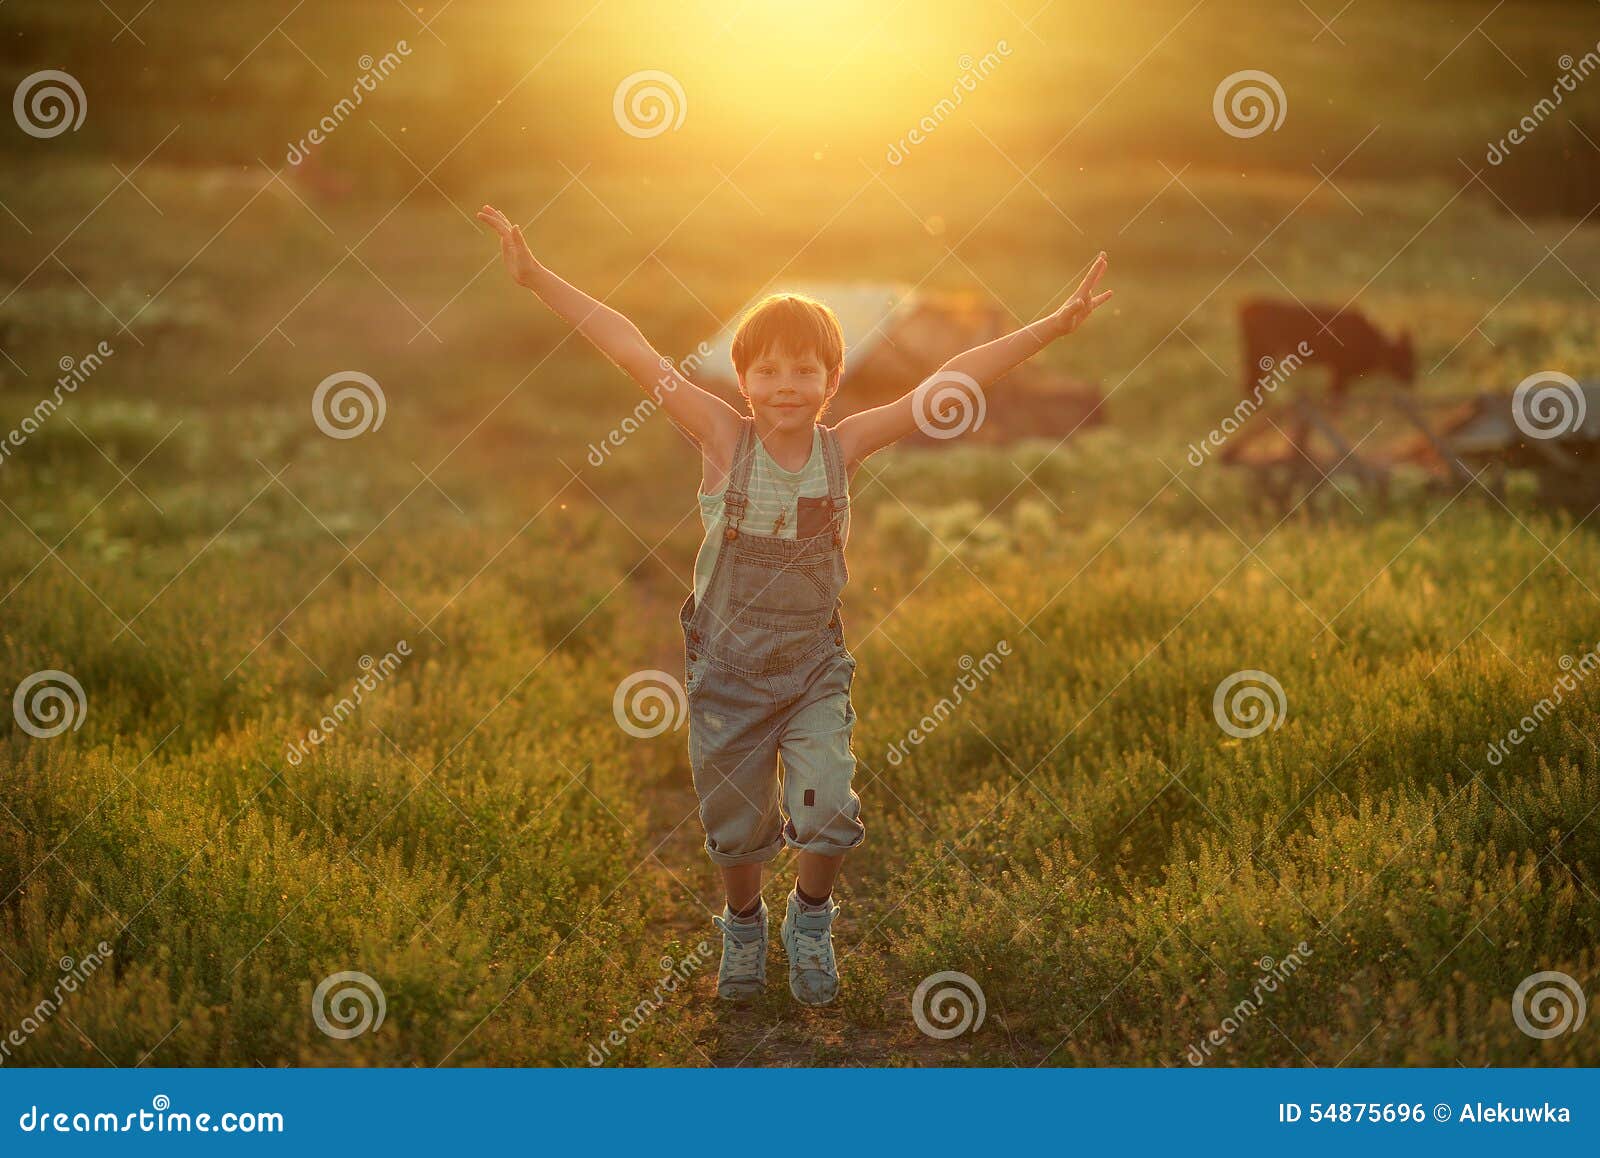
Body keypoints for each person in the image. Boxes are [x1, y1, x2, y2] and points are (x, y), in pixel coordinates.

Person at [478, 203, 1111, 1005]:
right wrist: (537, 280)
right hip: (727, 674)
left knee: (826, 809)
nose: (787, 386)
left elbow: (951, 381)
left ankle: (809, 920)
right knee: (736, 832)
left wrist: (1053, 327)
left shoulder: (845, 446)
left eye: (805, 371)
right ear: (740, 380)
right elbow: (630, 346)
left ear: (832, 382)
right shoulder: (718, 435)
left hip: (813, 668)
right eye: (769, 371)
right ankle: (743, 929)